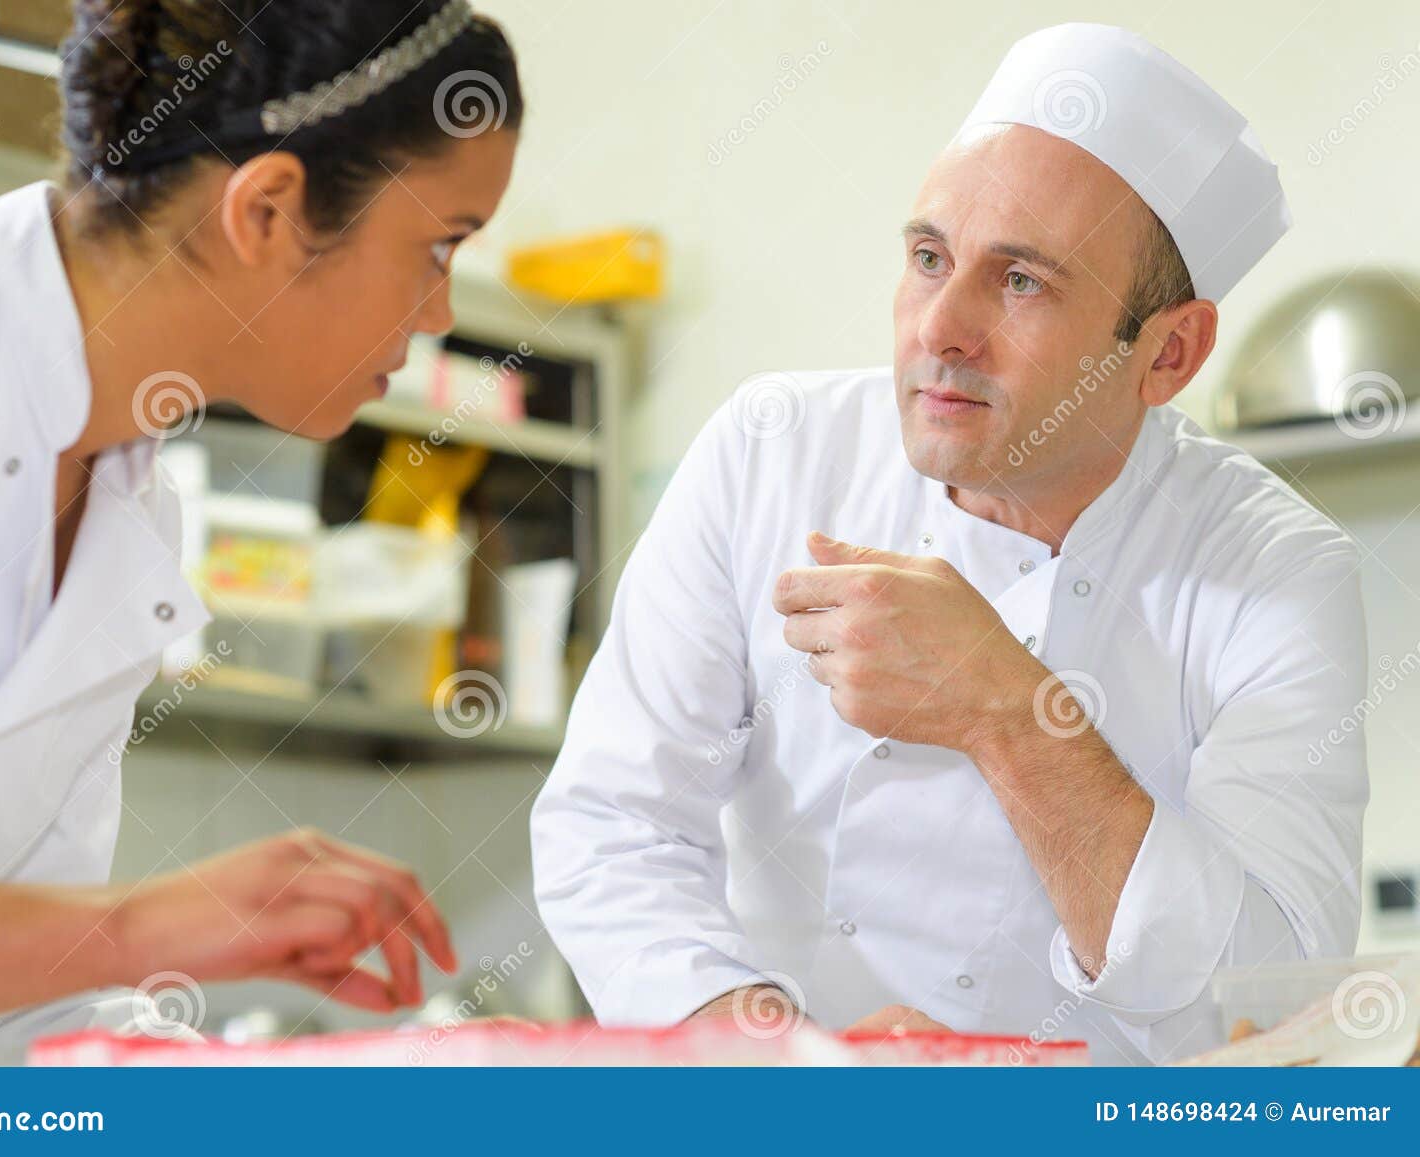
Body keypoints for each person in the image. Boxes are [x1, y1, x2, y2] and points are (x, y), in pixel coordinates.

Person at [531, 23, 1367, 1064]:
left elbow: (1270, 1001)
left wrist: (1006, 709)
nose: (941, 328)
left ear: (1167, 353)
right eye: (929, 259)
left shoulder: (1273, 568)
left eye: (1021, 282)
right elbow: (614, 826)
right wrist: (782, 1061)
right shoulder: (769, 452)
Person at [0, 0, 521, 1064]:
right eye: (439, 245)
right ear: (268, 210)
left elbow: (11, 1020)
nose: (440, 314)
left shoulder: (129, 514)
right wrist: (146, 925)